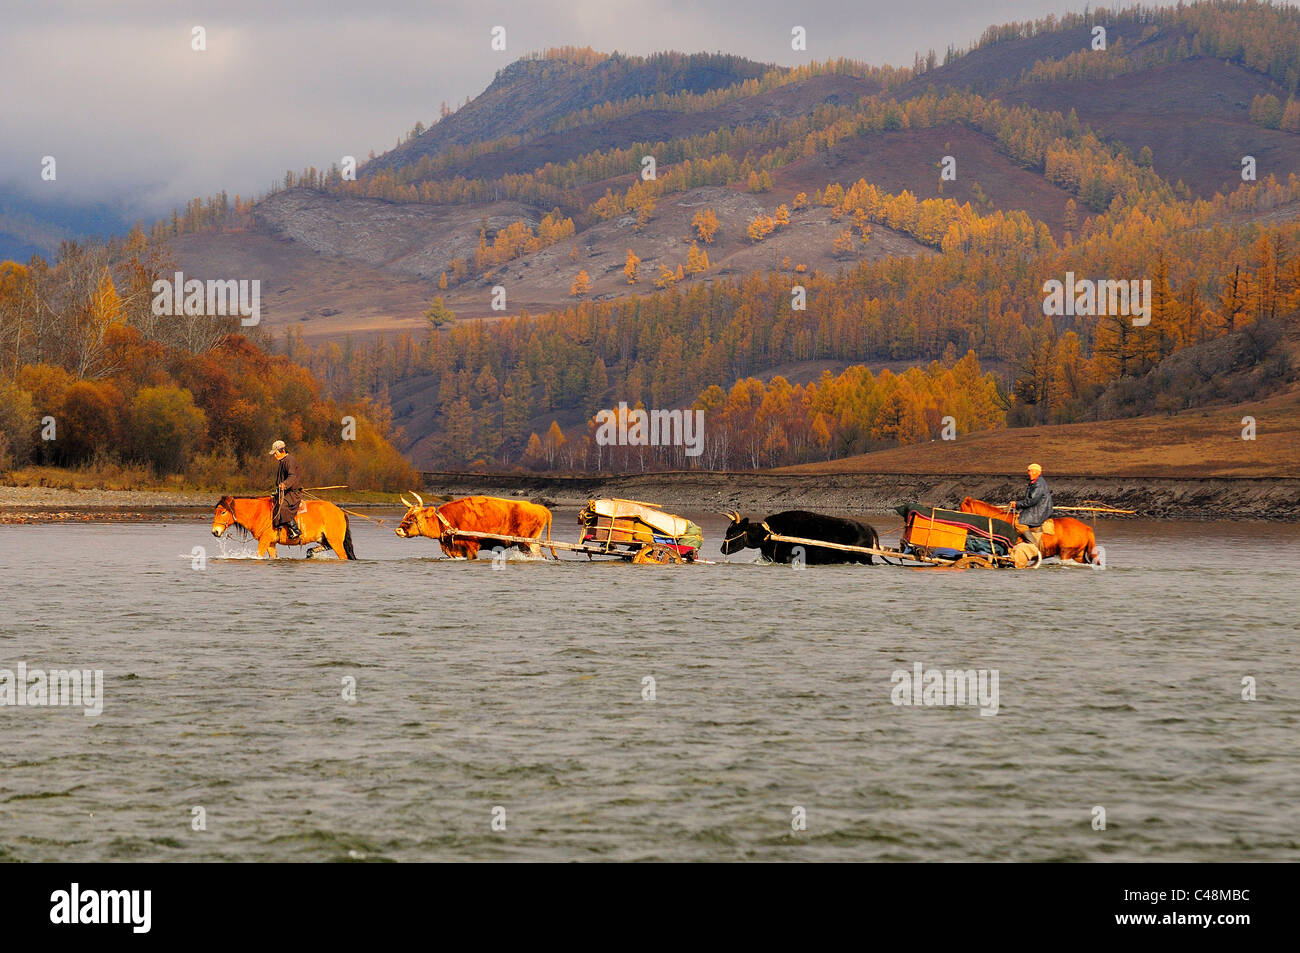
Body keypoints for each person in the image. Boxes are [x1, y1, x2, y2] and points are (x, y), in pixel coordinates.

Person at [1009, 462, 1053, 551]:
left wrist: (1017, 504)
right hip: (1036, 508)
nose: (1030, 473)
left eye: (1033, 471)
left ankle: (1034, 545)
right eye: (1029, 471)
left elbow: (1032, 500)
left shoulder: (1038, 484)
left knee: (1019, 524)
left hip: (1039, 510)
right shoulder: (1035, 482)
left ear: (1039, 473)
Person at [269, 439, 303, 540]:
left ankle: (295, 530)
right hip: (286, 491)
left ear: (282, 451)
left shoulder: (289, 461)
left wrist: (284, 484)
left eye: (275, 453)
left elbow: (292, 476)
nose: (274, 456)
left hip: (293, 493)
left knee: (282, 506)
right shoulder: (282, 461)